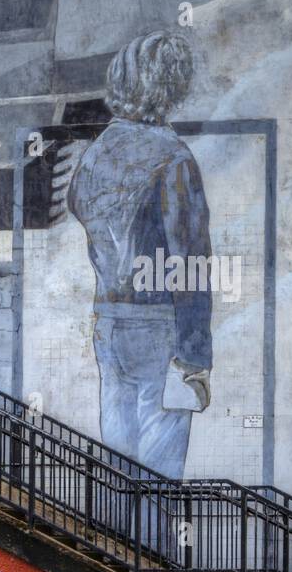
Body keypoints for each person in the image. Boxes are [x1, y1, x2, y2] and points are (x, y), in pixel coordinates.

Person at [66, 30, 212, 487]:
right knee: (159, 471)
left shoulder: (96, 154)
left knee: (117, 463)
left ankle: (111, 536)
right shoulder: (175, 158)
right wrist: (195, 355)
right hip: (160, 324)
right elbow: (190, 263)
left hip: (109, 319)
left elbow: (78, 205)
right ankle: (152, 539)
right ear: (173, 87)